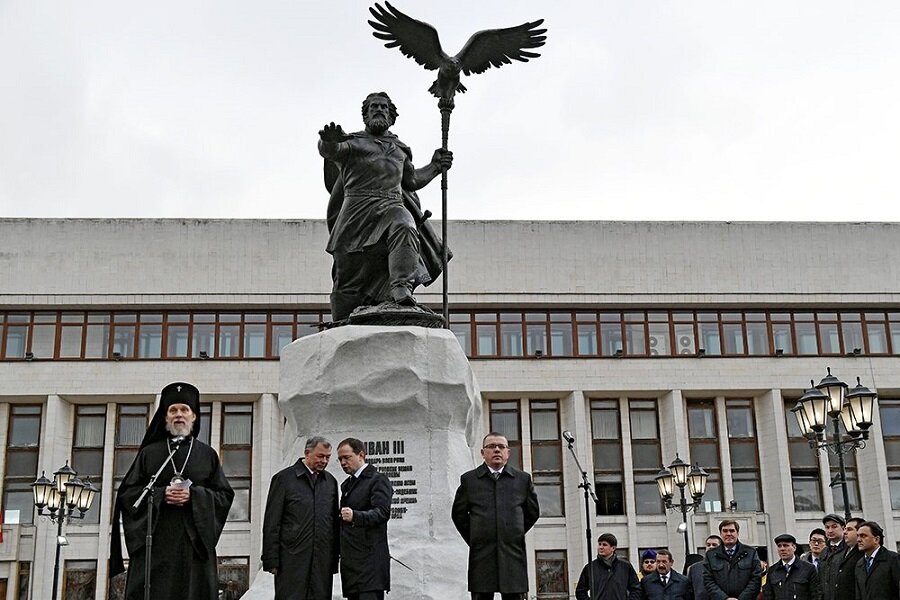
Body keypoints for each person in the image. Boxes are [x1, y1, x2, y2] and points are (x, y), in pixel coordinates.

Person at [319, 91, 453, 320]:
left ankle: (401, 287)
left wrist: (434, 166)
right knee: (347, 277)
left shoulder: (400, 149)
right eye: (373, 107)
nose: (378, 110)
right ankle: (341, 319)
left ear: (392, 117)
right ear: (365, 115)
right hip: (357, 211)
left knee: (405, 225)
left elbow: (410, 181)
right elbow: (332, 151)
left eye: (383, 107)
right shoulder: (352, 143)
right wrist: (328, 141)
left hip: (391, 204)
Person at [109, 382, 234, 600]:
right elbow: (128, 494)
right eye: (173, 410)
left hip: (193, 546)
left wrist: (194, 495)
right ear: (165, 417)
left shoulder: (207, 455)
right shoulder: (150, 453)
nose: (179, 415)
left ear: (194, 417)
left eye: (184, 410)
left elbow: (224, 495)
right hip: (156, 544)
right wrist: (160, 494)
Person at [451, 432, 540, 600]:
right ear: (483, 453)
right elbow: (459, 514)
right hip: (482, 554)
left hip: (512, 553)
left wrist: (514, 531)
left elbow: (533, 512)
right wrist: (476, 536)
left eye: (501, 446)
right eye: (491, 446)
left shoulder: (522, 480)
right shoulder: (470, 480)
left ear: (508, 452)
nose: (497, 450)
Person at [262, 436, 340, 600]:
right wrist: (271, 560)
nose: (324, 461)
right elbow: (272, 522)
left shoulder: (330, 482)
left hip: (321, 561)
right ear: (307, 453)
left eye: (328, 457)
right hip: (291, 560)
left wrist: (333, 560)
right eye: (320, 456)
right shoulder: (284, 479)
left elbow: (333, 524)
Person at [336, 437, 393, 600]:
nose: (343, 463)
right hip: (352, 566)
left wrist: (355, 516)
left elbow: (382, 513)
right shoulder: (347, 485)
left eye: (347, 457)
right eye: (340, 459)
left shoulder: (377, 479)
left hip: (370, 565)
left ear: (361, 455)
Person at [702, 519, 763, 600]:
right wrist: (724, 598)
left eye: (732, 531)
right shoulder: (710, 555)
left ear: (737, 533)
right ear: (720, 534)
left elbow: (756, 579)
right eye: (725, 531)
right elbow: (708, 581)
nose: (728, 534)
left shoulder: (751, 553)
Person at [575, 533, 641, 600]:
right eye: (599, 544)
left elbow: (636, 590)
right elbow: (580, 591)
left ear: (613, 548)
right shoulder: (590, 568)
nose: (601, 547)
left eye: (604, 545)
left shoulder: (625, 567)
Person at [762, 534, 820, 600]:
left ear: (794, 547)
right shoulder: (772, 571)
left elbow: (815, 595)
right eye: (779, 546)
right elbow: (768, 595)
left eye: (786, 545)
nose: (782, 549)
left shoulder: (808, 569)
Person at [854, 521, 900, 600]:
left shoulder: (893, 559)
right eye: (857, 536)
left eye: (863, 536)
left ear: (876, 539)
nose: (858, 540)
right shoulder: (859, 564)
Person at [819, 515, 861, 600]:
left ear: (843, 527)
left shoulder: (849, 549)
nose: (830, 530)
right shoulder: (824, 552)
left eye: (834, 527)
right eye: (827, 527)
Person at [687, 536, 722, 600]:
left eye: (714, 545)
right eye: (708, 545)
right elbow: (689, 592)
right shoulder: (694, 568)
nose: (711, 547)